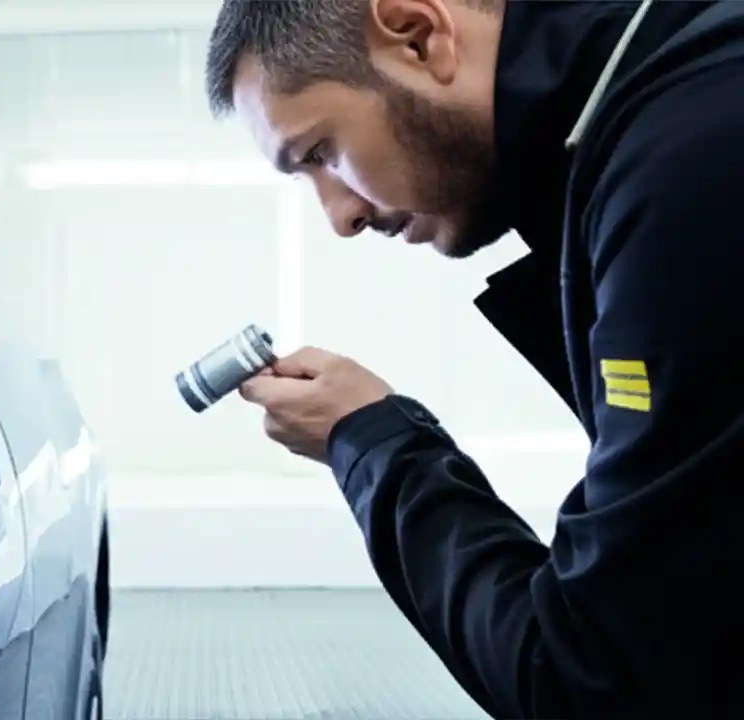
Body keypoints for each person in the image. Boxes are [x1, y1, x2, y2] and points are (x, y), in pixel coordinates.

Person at [205, 0, 744, 716]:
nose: (341, 217)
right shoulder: (679, 89)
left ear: (418, 35)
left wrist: (372, 442)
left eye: (320, 152)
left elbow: (594, 680)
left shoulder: (685, 172)